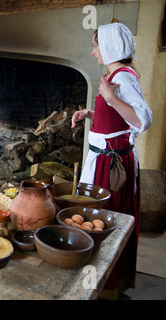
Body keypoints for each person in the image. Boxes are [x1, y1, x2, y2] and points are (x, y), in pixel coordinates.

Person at [71, 22, 152, 299]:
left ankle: (106, 287)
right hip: (103, 159)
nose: (93, 52)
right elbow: (119, 118)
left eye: (95, 46)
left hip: (110, 165)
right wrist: (92, 113)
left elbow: (142, 119)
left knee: (105, 222)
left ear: (109, 47)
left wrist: (109, 97)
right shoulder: (117, 73)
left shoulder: (123, 77)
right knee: (99, 219)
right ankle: (102, 281)